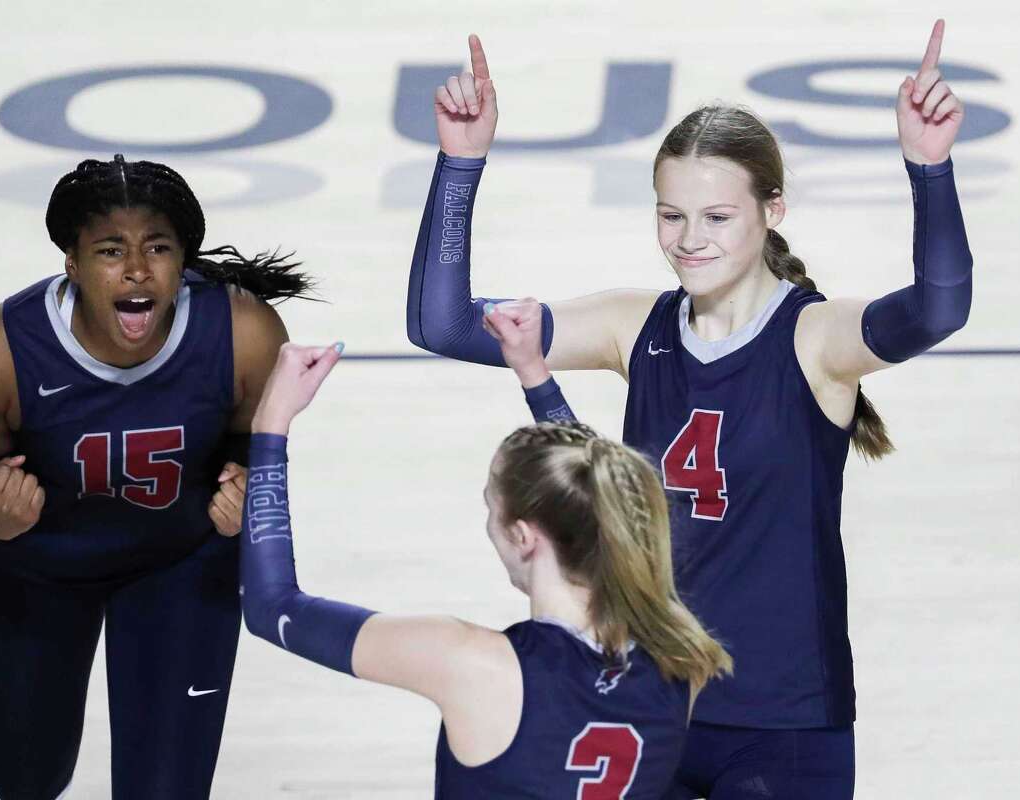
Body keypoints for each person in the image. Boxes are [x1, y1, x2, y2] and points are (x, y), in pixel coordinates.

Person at [406, 22, 971, 798]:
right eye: (671, 215)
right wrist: (461, 162)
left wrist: (929, 169)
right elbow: (443, 325)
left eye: (716, 217)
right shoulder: (632, 325)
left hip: (785, 723)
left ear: (772, 209)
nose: (688, 240)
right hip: (649, 702)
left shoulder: (815, 338)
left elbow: (939, 307)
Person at [0, 154, 308, 799]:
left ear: (182, 261)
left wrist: (248, 494)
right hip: (35, 568)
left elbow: (258, 450)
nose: (137, 269)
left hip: (180, 564)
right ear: (73, 264)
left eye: (158, 248)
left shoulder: (245, 332)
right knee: (26, 780)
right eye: (111, 250)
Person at [239, 329, 730, 797]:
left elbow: (272, 607)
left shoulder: (471, 663)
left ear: (522, 535)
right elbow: (596, 486)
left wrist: (270, 427)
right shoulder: (680, 659)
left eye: (490, 509)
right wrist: (535, 376)